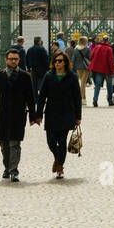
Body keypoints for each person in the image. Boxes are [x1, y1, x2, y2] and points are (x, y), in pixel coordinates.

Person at [0, 48, 38, 182]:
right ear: (5, 60)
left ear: (19, 60)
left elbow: (31, 98)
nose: (13, 61)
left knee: (15, 143)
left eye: (16, 59)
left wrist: (32, 117)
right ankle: (7, 168)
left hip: (19, 114)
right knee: (4, 144)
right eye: (11, 59)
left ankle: (14, 171)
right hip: (3, 114)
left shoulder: (25, 76)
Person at [35, 50, 82, 179]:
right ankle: (57, 157)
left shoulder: (72, 76)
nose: (57, 63)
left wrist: (78, 116)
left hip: (67, 113)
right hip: (51, 112)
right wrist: (38, 115)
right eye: (55, 61)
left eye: (60, 61)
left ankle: (60, 166)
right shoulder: (48, 76)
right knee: (50, 142)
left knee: (62, 141)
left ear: (65, 62)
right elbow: (42, 96)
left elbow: (77, 97)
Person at [89, 34, 114, 107]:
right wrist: (112, 71)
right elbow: (111, 61)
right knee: (109, 85)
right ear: (108, 40)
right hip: (107, 69)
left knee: (97, 85)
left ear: (102, 40)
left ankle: (95, 100)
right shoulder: (109, 48)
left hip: (98, 69)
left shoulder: (97, 47)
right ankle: (110, 100)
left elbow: (91, 56)